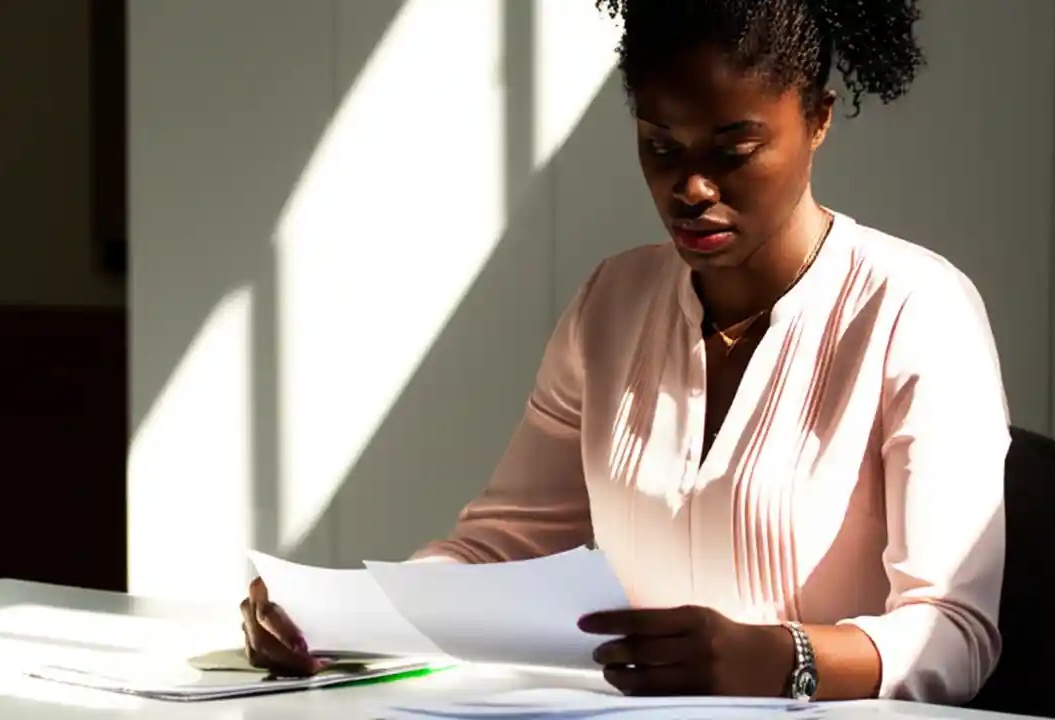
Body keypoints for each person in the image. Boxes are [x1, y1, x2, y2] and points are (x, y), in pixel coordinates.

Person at [241, 0, 1009, 705]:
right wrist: (343, 620)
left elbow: (956, 631)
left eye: (735, 149)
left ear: (817, 119)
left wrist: (785, 658)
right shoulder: (613, 303)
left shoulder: (916, 310)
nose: (692, 187)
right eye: (660, 147)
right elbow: (500, 546)